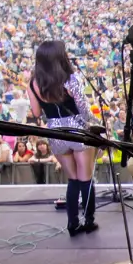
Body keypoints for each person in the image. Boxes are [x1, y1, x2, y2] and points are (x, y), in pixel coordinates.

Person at [26, 40, 98, 235]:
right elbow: (83, 109)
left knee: (72, 180)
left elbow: (35, 111)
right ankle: (89, 221)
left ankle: (72, 223)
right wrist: (94, 120)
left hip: (54, 131)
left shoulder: (33, 83)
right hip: (77, 129)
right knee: (86, 179)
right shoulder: (70, 79)